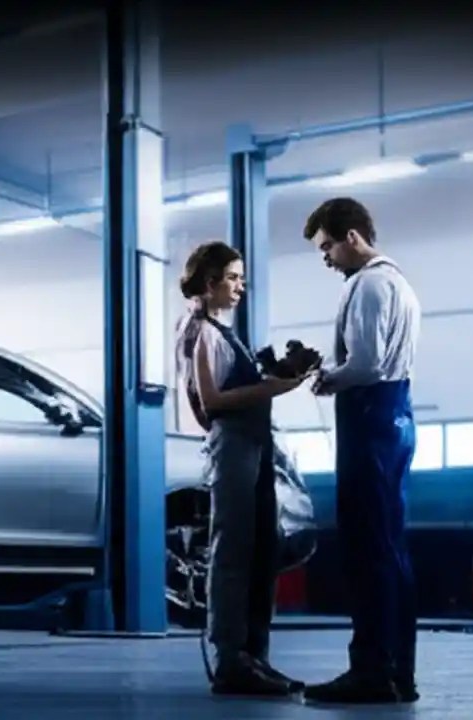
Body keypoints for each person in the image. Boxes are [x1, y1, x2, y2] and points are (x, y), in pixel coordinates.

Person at [298, 198, 422, 705]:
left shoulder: (368, 284)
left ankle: (371, 672)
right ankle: (397, 673)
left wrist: (324, 377)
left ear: (352, 237)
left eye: (327, 246)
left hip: (369, 417)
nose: (325, 257)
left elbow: (366, 363)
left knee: (368, 549)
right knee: (390, 549)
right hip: (393, 416)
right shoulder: (400, 284)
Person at [173, 240, 308, 696]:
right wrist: (277, 387)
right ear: (209, 283)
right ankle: (230, 658)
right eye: (232, 277)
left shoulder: (224, 332)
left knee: (259, 550)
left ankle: (255, 656)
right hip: (232, 444)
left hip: (254, 444)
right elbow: (211, 401)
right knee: (232, 553)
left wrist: (282, 371)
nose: (240, 286)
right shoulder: (201, 333)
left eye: (242, 278)